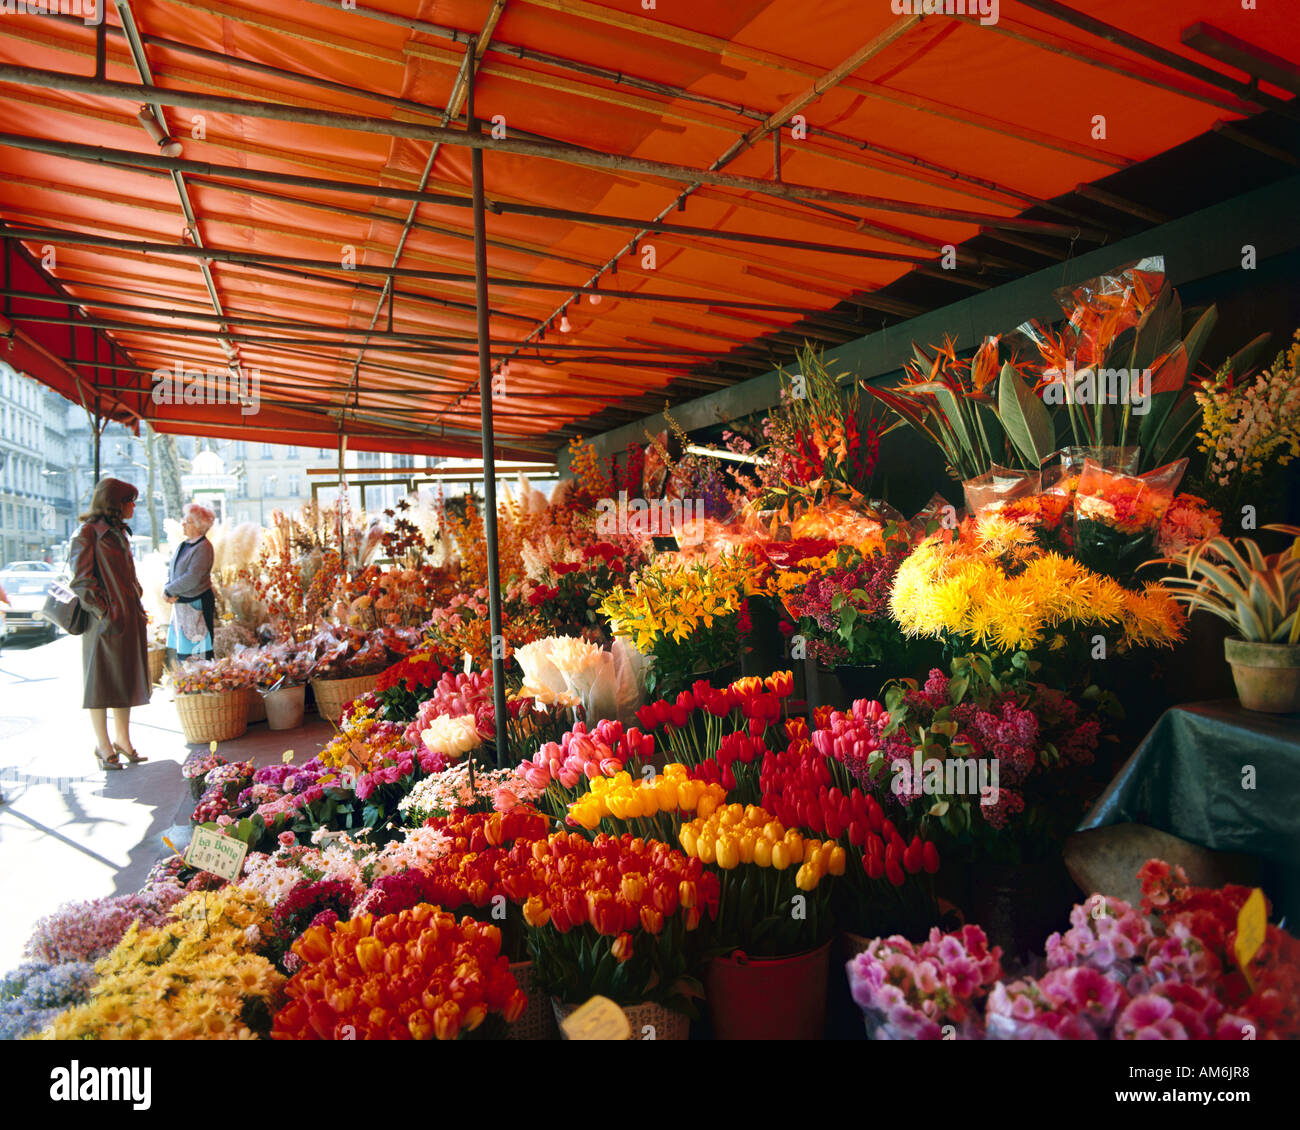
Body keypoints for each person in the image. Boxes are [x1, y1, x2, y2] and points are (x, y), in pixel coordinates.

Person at [68, 477, 150, 771]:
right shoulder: (88, 533)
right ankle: (103, 746)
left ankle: (123, 741)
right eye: (130, 500)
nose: (133, 506)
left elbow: (127, 576)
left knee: (123, 680)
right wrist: (105, 612)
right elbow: (80, 580)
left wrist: (135, 600)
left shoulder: (118, 532)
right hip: (102, 625)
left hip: (125, 618)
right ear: (116, 502)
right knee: (100, 683)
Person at [163, 502, 217, 666]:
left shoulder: (203, 547)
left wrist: (169, 590)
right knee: (183, 655)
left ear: (199, 526)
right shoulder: (185, 544)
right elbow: (172, 570)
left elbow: (193, 577)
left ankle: (199, 686)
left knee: (197, 654)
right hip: (182, 604)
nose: (183, 524)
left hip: (196, 604)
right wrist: (168, 590)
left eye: (188, 521)